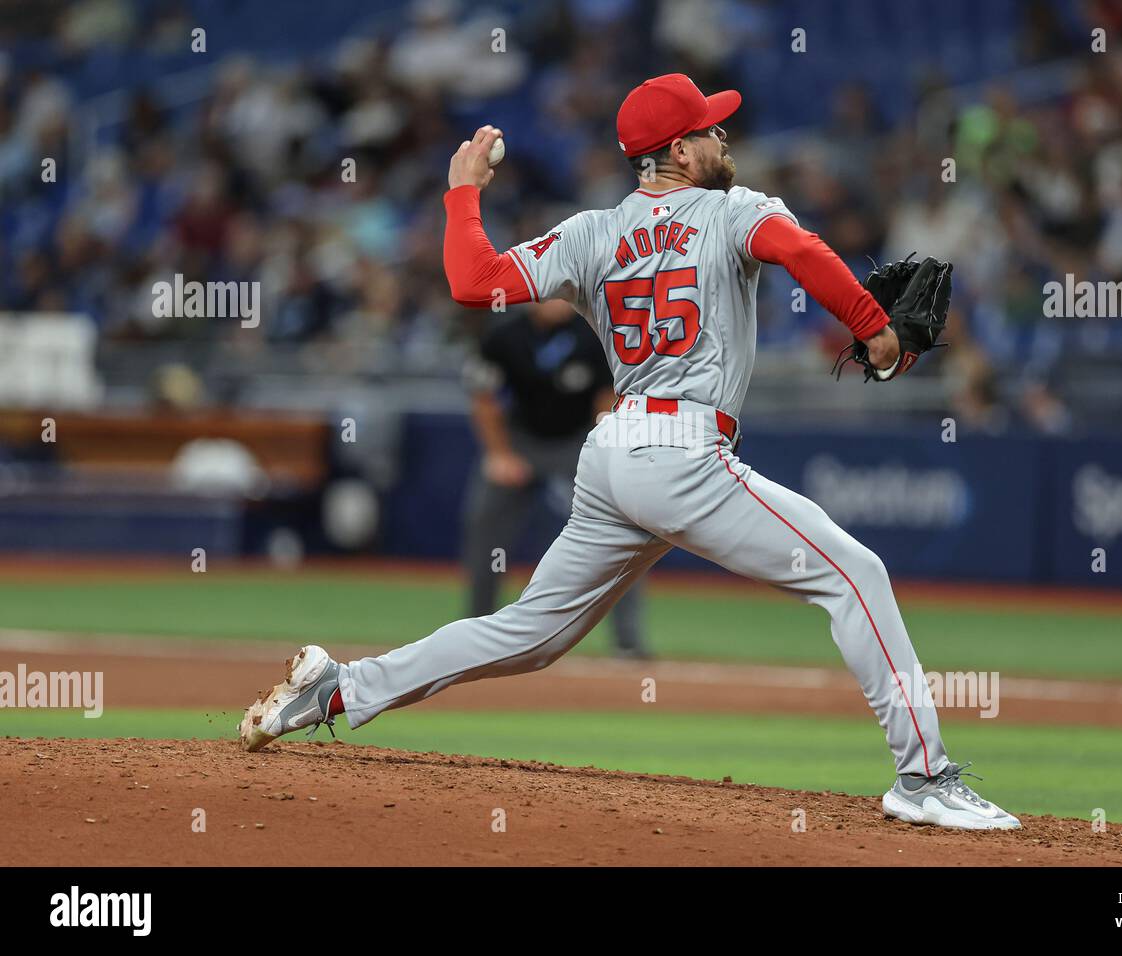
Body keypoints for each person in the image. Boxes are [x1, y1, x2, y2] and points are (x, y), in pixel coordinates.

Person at [239, 74, 1020, 830]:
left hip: (612, 452)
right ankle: (925, 779)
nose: (723, 137)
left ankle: (337, 690)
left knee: (530, 634)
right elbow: (802, 248)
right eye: (710, 129)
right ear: (679, 151)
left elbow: (473, 281)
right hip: (681, 451)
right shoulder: (732, 209)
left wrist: (462, 193)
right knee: (856, 573)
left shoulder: (591, 232)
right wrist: (875, 332)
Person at [463, 297, 649, 658]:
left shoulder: (594, 334)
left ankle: (627, 643)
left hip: (577, 441)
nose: (557, 301)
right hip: (520, 440)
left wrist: (601, 454)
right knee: (485, 526)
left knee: (619, 529)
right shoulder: (504, 335)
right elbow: (483, 398)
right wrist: (499, 454)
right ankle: (472, 636)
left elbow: (608, 400)